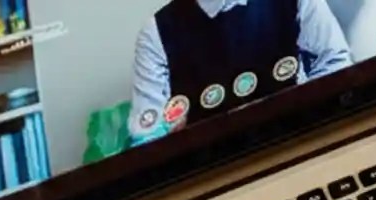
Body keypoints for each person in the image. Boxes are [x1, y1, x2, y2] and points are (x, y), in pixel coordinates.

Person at [129, 0, 353, 145]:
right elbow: (145, 141)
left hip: (302, 143)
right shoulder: (156, 34)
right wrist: (171, 142)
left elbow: (337, 67)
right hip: (213, 176)